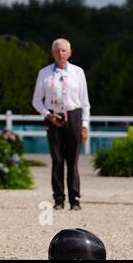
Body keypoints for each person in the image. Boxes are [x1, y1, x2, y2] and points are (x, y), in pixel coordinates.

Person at [31, 38, 90, 211]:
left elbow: (85, 102)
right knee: (57, 160)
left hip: (73, 115)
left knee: (73, 160)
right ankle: (58, 199)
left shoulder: (78, 72)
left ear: (70, 53)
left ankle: (75, 198)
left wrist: (84, 125)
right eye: (57, 50)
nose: (60, 53)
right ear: (52, 53)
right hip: (53, 117)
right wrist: (48, 114)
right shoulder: (45, 73)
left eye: (64, 50)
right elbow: (36, 100)